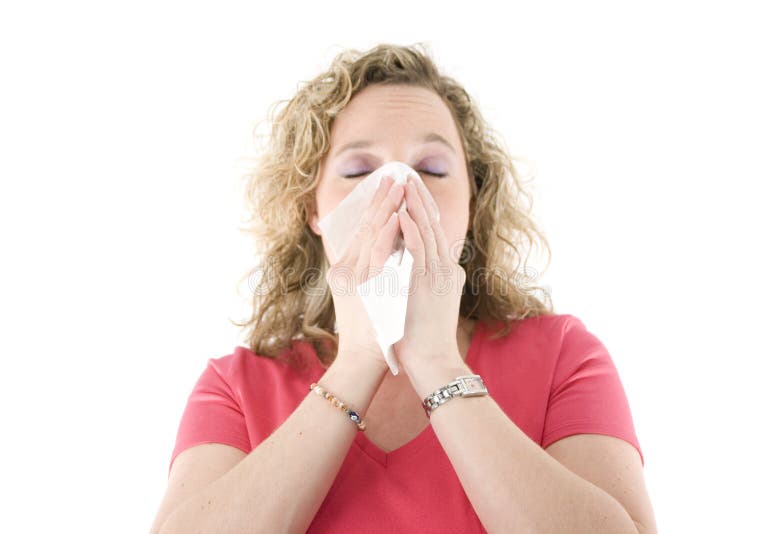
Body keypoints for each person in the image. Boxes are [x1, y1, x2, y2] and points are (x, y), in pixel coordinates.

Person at [150, 42, 657, 533]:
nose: (398, 192)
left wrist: (437, 364)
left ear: (473, 201)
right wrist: (357, 362)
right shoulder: (236, 387)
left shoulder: (563, 357)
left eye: (431, 169)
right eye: (359, 171)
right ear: (313, 210)